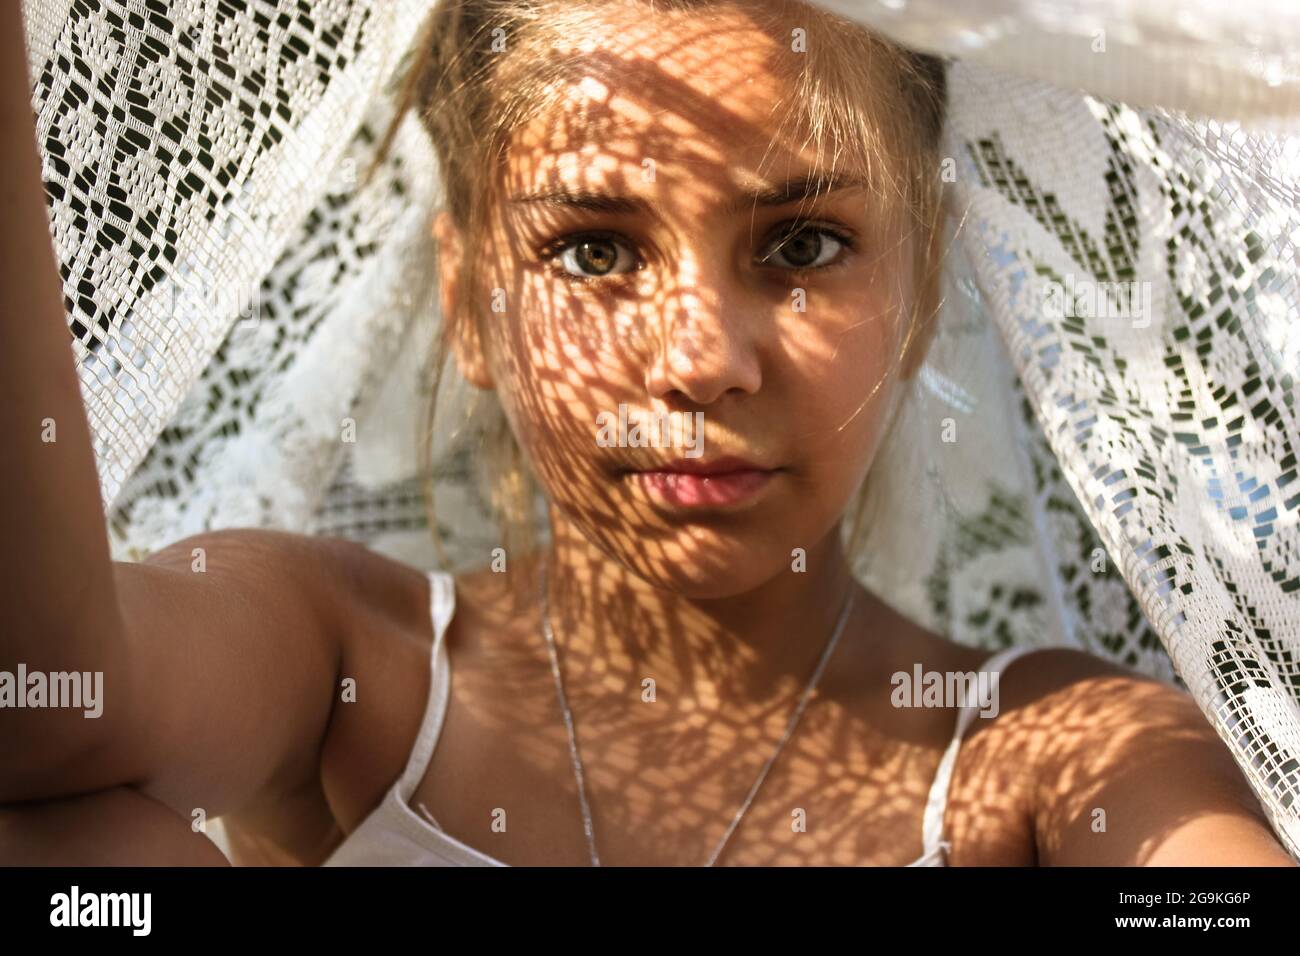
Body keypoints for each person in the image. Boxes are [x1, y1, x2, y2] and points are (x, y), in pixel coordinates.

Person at [1, 0, 1292, 867]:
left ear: (925, 287)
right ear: (466, 295)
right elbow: (46, 709)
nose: (700, 360)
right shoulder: (361, 671)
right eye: (594, 248)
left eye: (800, 244)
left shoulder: (1052, 759)